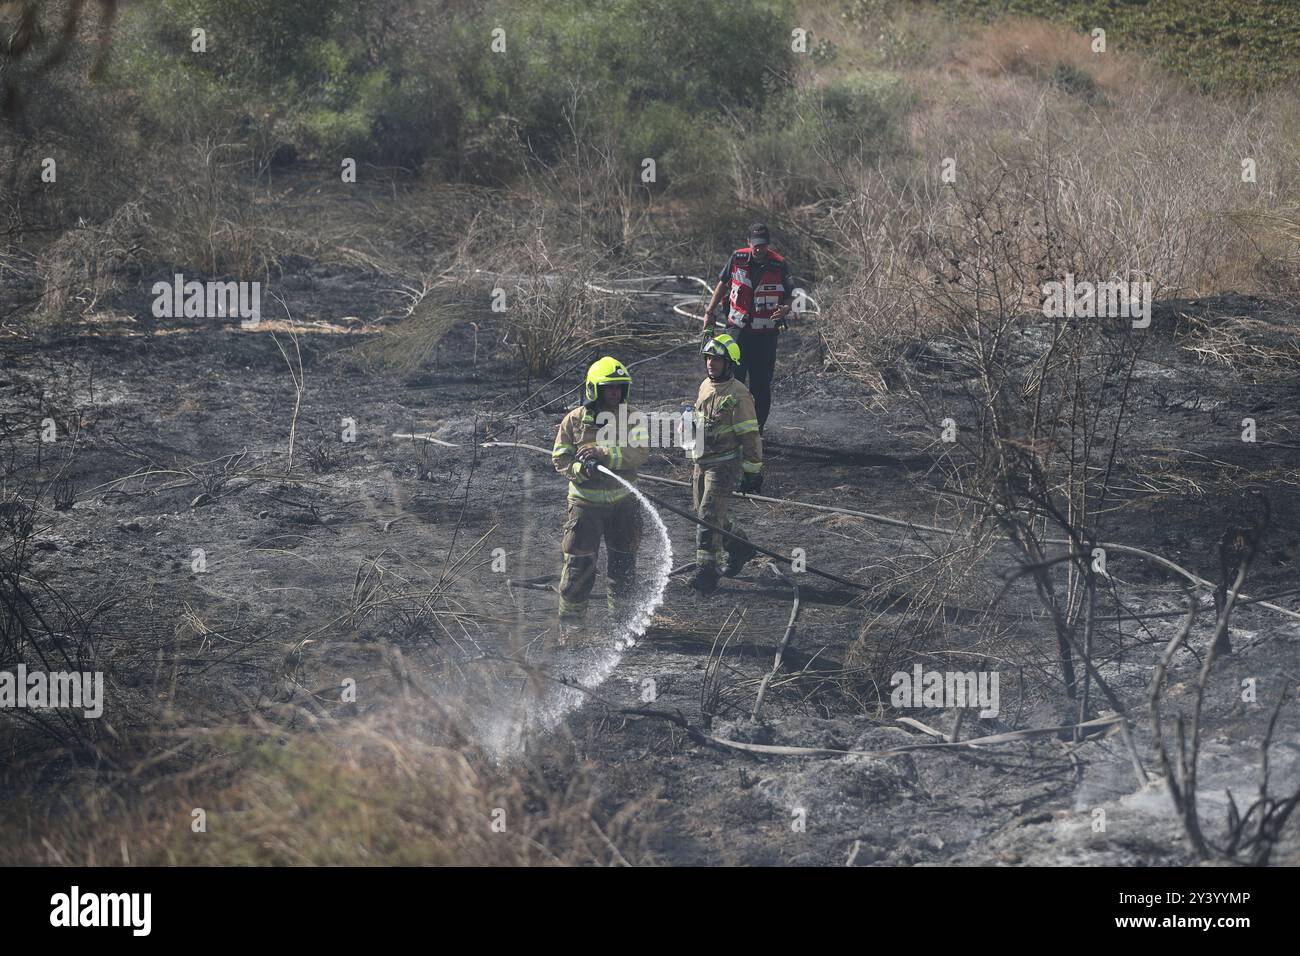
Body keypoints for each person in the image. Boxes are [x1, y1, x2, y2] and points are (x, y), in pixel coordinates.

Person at [550, 357, 649, 640]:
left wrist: (605, 454)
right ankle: (571, 627)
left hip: (624, 505)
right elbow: (560, 457)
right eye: (609, 388)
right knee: (579, 565)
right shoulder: (574, 420)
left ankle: (624, 623)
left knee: (624, 564)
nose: (615, 393)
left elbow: (640, 453)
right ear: (594, 389)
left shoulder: (633, 418)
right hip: (585, 507)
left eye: (619, 388)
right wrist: (581, 470)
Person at [701, 223, 796, 434]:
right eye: (755, 246)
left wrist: (786, 309)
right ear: (748, 243)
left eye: (763, 245)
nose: (759, 250)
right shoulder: (737, 258)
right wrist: (709, 311)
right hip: (737, 330)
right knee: (732, 378)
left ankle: (756, 429)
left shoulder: (779, 264)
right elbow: (723, 283)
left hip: (765, 334)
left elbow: (791, 293)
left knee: (761, 384)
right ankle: (728, 426)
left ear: (768, 244)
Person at [688, 334, 762, 596]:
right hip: (702, 462)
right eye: (708, 358)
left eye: (717, 359)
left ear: (729, 363)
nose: (711, 363)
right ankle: (740, 545)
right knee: (704, 513)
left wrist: (753, 471)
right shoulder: (705, 386)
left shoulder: (739, 394)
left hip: (724, 464)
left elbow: (750, 435)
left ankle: (706, 572)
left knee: (708, 516)